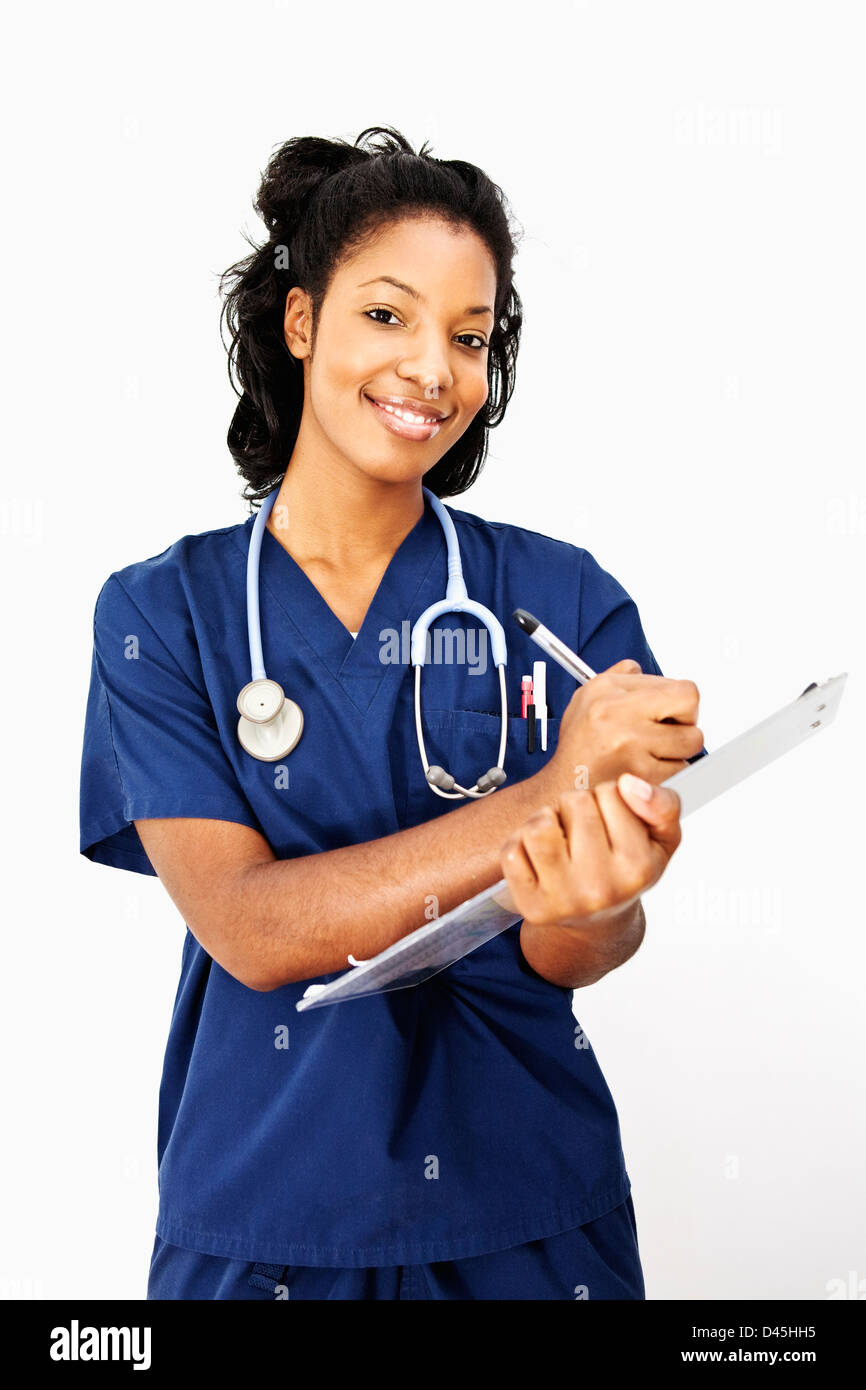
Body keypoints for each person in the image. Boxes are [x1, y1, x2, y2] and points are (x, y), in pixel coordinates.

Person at [79, 126, 707, 1301]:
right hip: (263, 1221)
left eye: (469, 338)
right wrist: (549, 790)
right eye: (386, 316)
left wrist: (602, 893)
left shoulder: (563, 600)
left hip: (527, 1210)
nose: (433, 368)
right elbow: (252, 930)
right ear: (301, 322)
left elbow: (577, 946)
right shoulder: (163, 615)